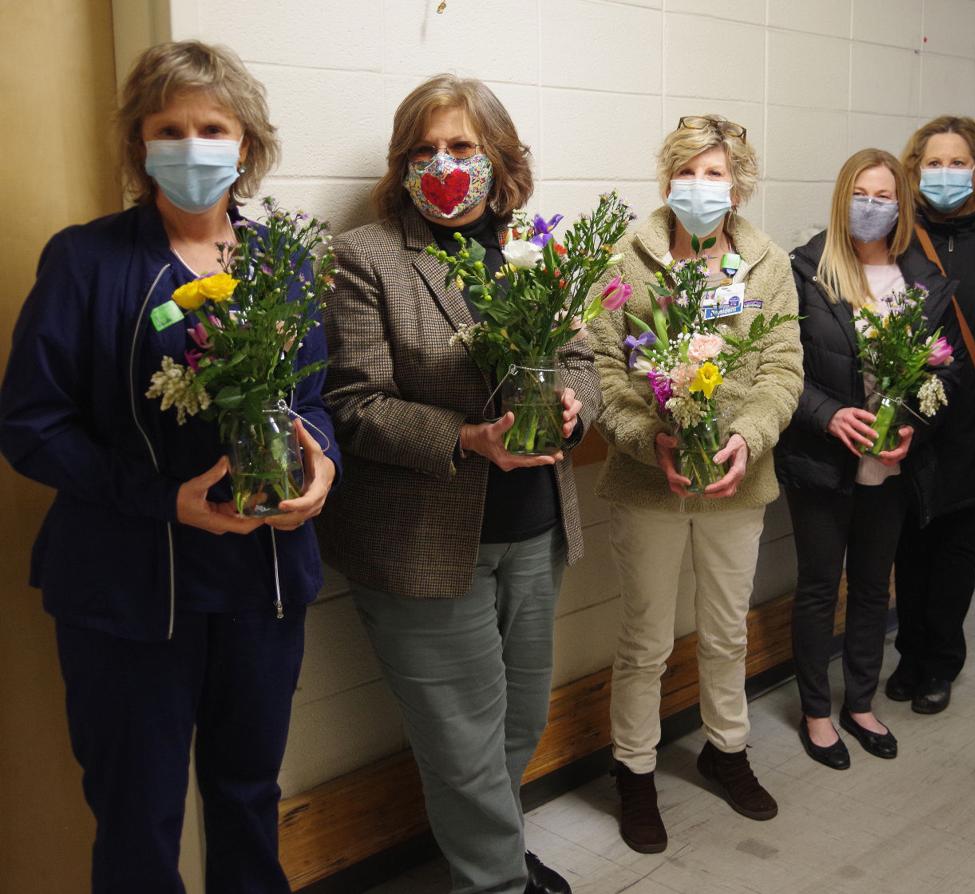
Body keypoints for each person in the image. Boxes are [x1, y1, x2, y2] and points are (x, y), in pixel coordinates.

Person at [0, 41, 337, 892]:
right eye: (169, 129)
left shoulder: (284, 264)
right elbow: (30, 424)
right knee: (137, 817)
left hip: (259, 586)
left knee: (249, 798)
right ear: (139, 145)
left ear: (246, 144)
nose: (193, 146)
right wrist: (158, 498)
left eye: (213, 128)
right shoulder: (86, 261)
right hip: (126, 591)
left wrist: (321, 467)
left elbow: (316, 400)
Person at [317, 76, 596, 894]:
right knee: (464, 747)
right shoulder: (366, 257)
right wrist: (466, 439)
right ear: (401, 164)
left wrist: (574, 407)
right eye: (423, 149)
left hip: (535, 530)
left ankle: (495, 856)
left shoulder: (537, 246)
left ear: (498, 157)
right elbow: (354, 404)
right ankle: (495, 883)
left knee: (519, 723)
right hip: (429, 545)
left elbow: (579, 358)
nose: (442, 164)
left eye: (461, 146)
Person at [587, 114, 802, 853]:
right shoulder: (625, 261)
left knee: (725, 632)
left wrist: (749, 437)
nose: (700, 186)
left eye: (716, 174)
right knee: (644, 639)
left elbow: (783, 369)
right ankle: (634, 770)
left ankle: (726, 750)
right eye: (687, 171)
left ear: (738, 186)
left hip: (738, 484)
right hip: (648, 484)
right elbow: (604, 371)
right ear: (666, 178)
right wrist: (649, 440)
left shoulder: (766, 264)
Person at [780, 148, 958, 768]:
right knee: (818, 588)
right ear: (841, 198)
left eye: (884, 197)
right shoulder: (806, 271)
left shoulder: (923, 280)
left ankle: (860, 702)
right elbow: (781, 369)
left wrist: (913, 429)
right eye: (861, 194)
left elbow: (947, 374)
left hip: (890, 464)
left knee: (873, 588)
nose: (871, 206)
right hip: (820, 462)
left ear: (901, 206)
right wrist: (829, 415)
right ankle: (815, 712)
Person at [885, 116, 975, 715]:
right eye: (933, 163)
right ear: (914, 169)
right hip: (910, 414)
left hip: (974, 415)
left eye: (957, 162)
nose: (944, 173)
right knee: (908, 542)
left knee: (953, 544)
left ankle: (942, 659)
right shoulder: (898, 228)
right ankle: (909, 653)